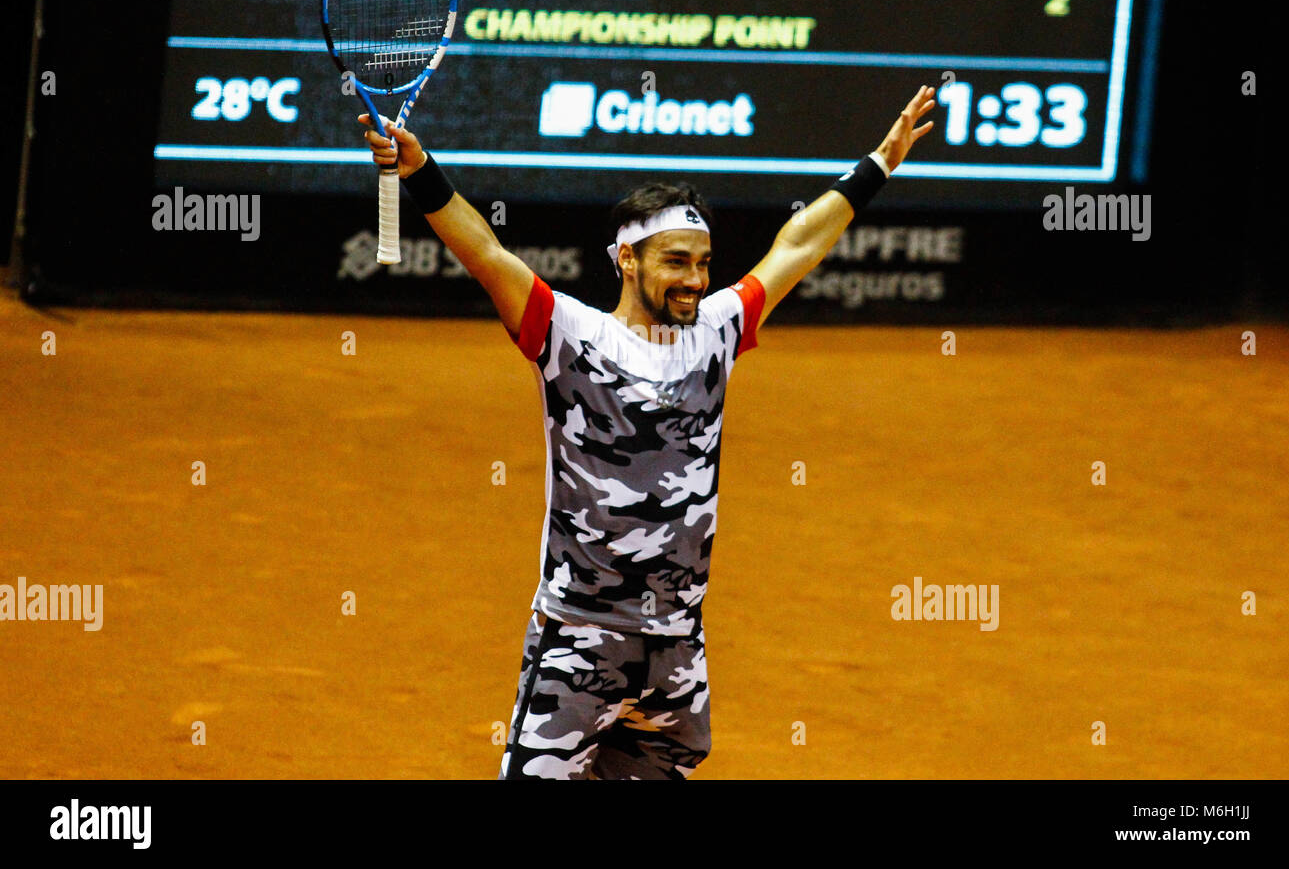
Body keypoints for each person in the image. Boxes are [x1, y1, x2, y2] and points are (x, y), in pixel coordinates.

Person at [359, 85, 936, 779]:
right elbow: (483, 251)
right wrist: (421, 170)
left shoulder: (719, 330)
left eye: (702, 262)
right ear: (627, 260)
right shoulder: (569, 334)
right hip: (580, 642)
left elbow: (799, 244)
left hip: (676, 653)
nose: (695, 280)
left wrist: (880, 161)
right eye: (675, 262)